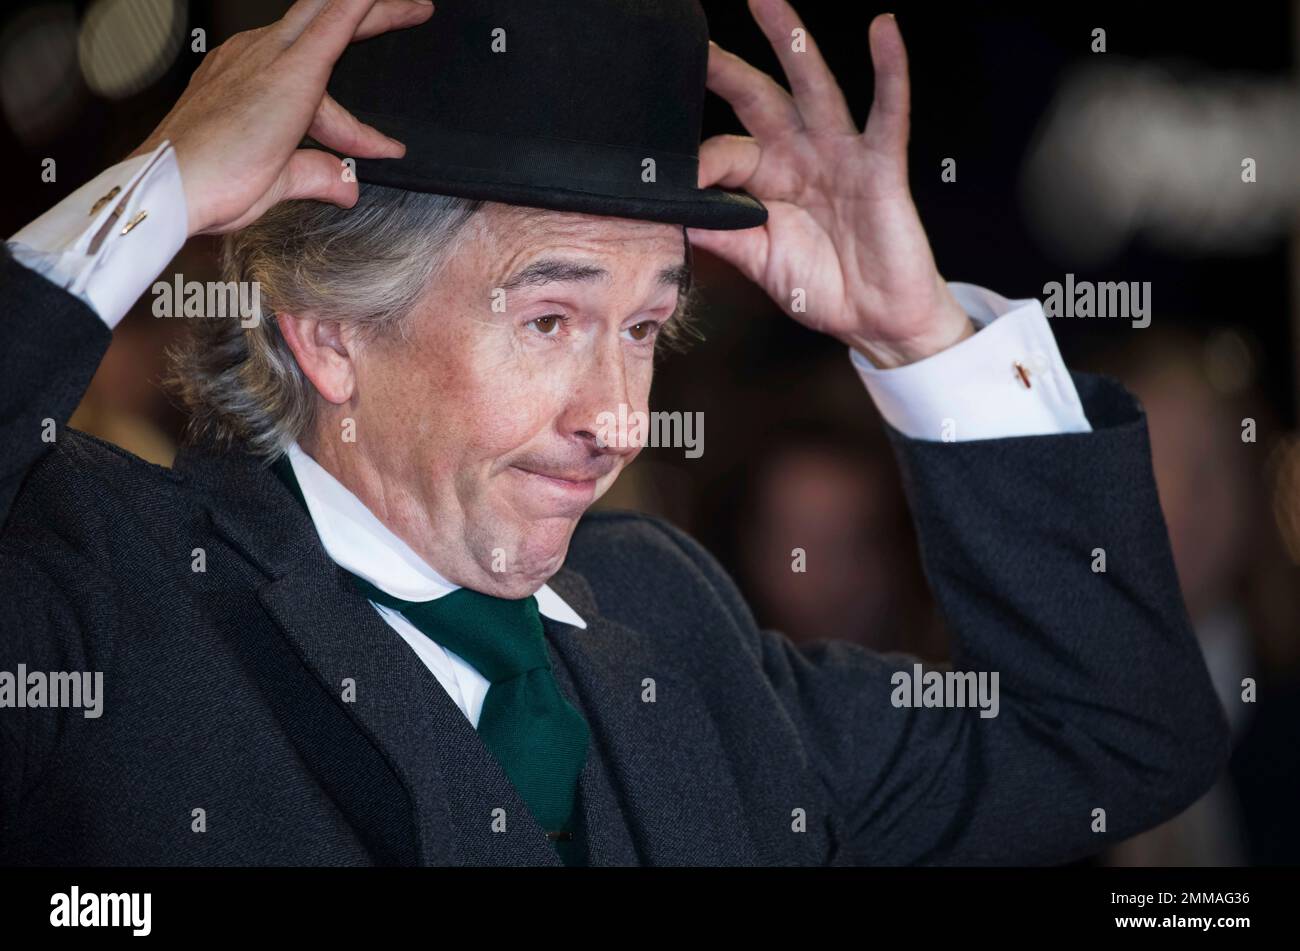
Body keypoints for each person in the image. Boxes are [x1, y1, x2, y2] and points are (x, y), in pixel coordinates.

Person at [0, 0, 1228, 866]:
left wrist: (919, 341)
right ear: (327, 335)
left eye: (643, 328)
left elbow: (1112, 734)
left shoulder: (670, 619)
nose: (618, 420)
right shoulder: (108, 580)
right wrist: (152, 190)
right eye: (547, 318)